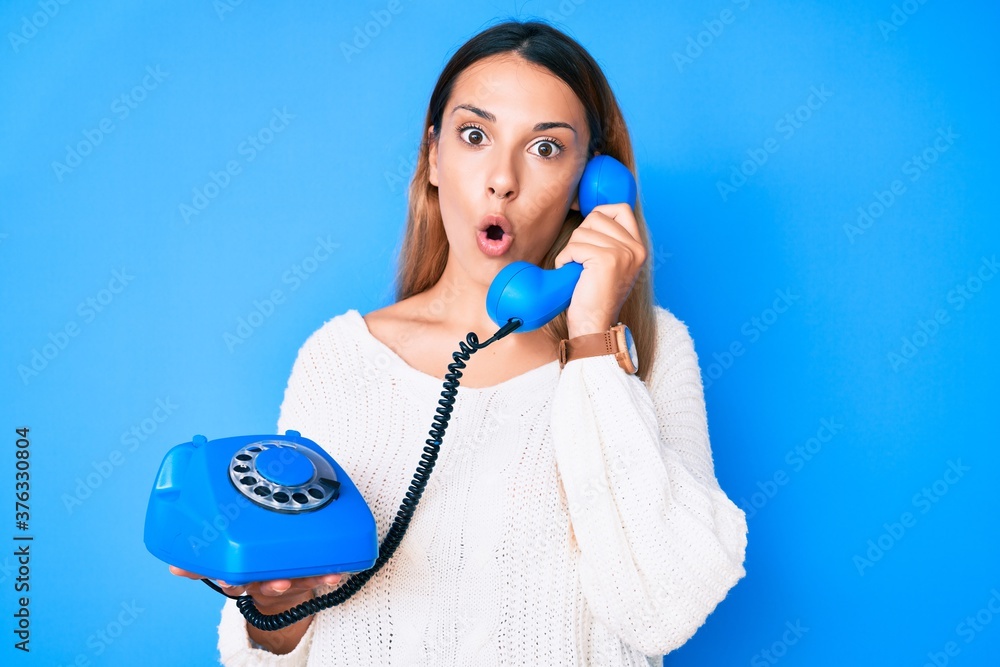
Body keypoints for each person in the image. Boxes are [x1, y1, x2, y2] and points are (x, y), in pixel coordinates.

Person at [171, 19, 748, 666]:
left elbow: (662, 610)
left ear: (592, 185)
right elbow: (264, 648)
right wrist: (276, 608)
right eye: (475, 136)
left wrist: (591, 342)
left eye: (546, 149)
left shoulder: (647, 350)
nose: (502, 178)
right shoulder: (340, 359)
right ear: (433, 156)